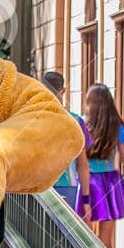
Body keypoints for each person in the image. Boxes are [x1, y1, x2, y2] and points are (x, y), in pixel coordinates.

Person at [78, 82, 124, 248]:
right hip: (110, 182)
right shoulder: (117, 126)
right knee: (106, 240)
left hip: (87, 181)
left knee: (85, 237)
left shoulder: (82, 124)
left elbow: (78, 158)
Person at [42, 71, 92, 214]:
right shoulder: (76, 121)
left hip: (39, 187)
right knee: (63, 227)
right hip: (67, 187)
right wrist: (86, 200)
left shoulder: (33, 118)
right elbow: (83, 164)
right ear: (63, 91)